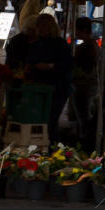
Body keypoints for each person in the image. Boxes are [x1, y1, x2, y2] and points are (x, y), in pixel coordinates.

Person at [26, 13, 72, 145]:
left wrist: (50, 66)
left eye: (44, 26)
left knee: (51, 119)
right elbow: (30, 61)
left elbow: (67, 65)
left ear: (51, 27)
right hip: (39, 87)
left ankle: (53, 146)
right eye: (39, 26)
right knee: (40, 119)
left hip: (57, 88)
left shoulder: (60, 44)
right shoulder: (35, 44)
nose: (41, 29)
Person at [70, 17, 99, 151]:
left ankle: (85, 146)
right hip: (87, 85)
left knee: (83, 118)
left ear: (83, 30)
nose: (75, 32)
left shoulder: (86, 47)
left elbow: (82, 67)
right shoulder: (92, 45)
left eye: (76, 29)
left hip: (83, 86)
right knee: (85, 117)